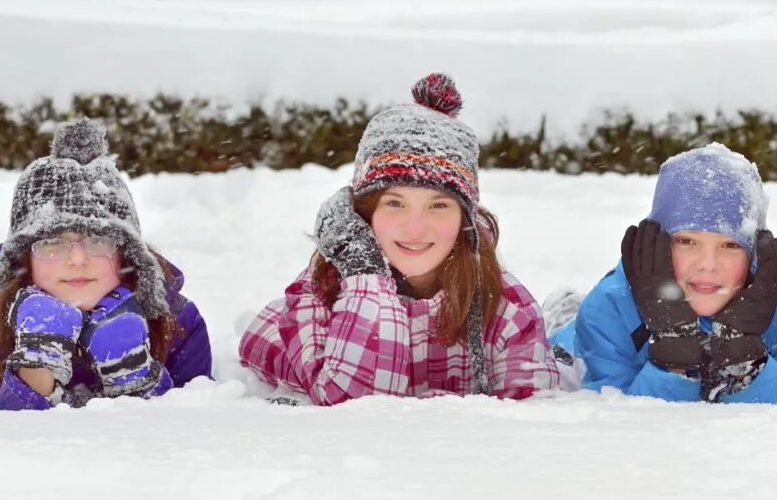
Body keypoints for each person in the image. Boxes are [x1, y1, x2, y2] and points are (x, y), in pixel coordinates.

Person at [239, 73, 559, 404]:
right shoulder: (320, 294)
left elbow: (530, 413)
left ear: (464, 220)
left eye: (438, 206)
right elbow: (356, 406)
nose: (415, 228)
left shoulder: (506, 305)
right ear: (364, 214)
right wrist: (366, 276)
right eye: (395, 204)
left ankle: (565, 320)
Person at [0, 120, 211, 409]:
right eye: (51, 243)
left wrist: (135, 375)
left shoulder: (176, 321)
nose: (77, 258)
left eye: (98, 241)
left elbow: (183, 430)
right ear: (25, 258)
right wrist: (36, 364)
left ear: (128, 254)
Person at [550, 143, 777, 403]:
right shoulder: (611, 307)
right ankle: (565, 312)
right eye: (687, 241)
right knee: (564, 360)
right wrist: (673, 355)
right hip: (583, 339)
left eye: (731, 245)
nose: (708, 264)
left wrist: (745, 364)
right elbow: (614, 416)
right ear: (660, 245)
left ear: (755, 252)